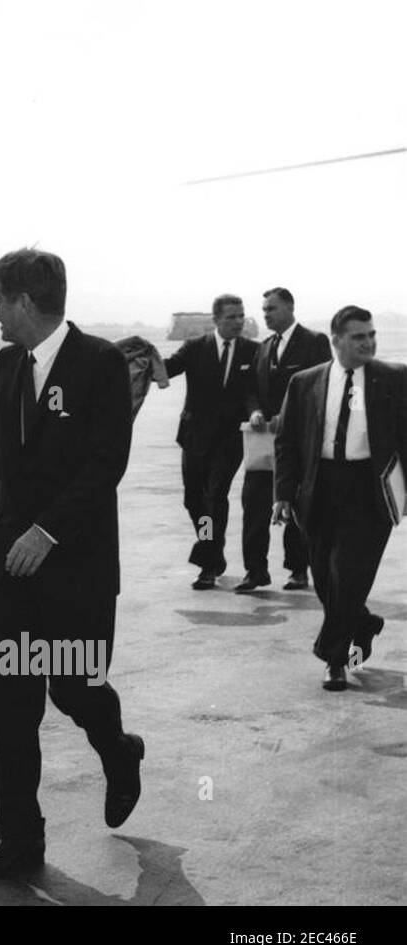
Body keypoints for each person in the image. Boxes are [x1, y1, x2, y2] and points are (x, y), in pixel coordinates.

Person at [0, 248, 143, 881]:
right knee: (6, 703)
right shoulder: (6, 365)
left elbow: (106, 464)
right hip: (11, 571)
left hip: (77, 570)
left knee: (73, 687)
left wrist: (47, 532)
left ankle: (119, 750)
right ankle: (21, 841)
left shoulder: (100, 363)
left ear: (23, 302)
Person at [273, 306, 406, 691]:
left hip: (370, 489)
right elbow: (287, 442)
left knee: (348, 576)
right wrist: (283, 493)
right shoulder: (305, 382)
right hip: (319, 489)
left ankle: (334, 660)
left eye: (371, 335)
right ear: (337, 340)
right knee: (325, 579)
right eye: (359, 336)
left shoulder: (394, 378)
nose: (369, 342)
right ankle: (363, 624)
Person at [237, 288, 331, 592]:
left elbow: (322, 387)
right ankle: (255, 570)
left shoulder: (314, 342)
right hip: (264, 444)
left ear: (290, 308)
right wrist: (254, 411)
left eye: (272, 309)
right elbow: (250, 388)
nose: (266, 315)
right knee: (253, 505)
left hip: (299, 445)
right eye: (264, 310)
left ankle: (297, 570)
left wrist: (287, 416)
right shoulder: (263, 348)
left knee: (294, 508)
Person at [164, 296, 260, 589]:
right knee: (194, 500)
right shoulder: (195, 348)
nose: (237, 322)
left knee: (214, 498)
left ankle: (207, 564)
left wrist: (256, 411)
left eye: (241, 316)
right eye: (231, 317)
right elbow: (168, 368)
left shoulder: (253, 351)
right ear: (216, 320)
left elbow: (254, 389)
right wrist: (136, 360)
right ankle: (214, 553)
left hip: (230, 440)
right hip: (194, 437)